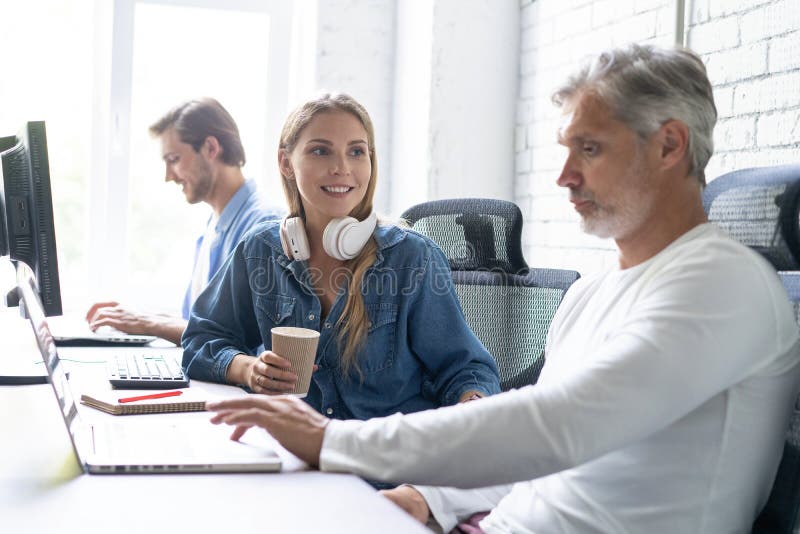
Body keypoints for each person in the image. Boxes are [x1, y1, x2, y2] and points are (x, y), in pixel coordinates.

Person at [205, 44, 800, 533]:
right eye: (565, 150)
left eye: (588, 149)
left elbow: (556, 425)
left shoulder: (721, 285)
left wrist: (331, 438)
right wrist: (427, 499)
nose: (564, 176)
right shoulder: (595, 292)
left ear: (669, 145)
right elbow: (532, 455)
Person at [182, 93, 500, 421]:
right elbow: (201, 339)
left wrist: (471, 404)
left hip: (386, 463)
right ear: (286, 163)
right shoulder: (260, 252)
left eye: (356, 152)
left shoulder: (412, 259)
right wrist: (246, 368)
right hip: (293, 456)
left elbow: (466, 369)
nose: (341, 168)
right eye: (321, 151)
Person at [86, 98, 284, 345]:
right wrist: (140, 317)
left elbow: (237, 340)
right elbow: (201, 324)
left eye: (173, 159)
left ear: (211, 148)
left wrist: (148, 323)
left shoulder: (263, 228)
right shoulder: (214, 225)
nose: (169, 176)